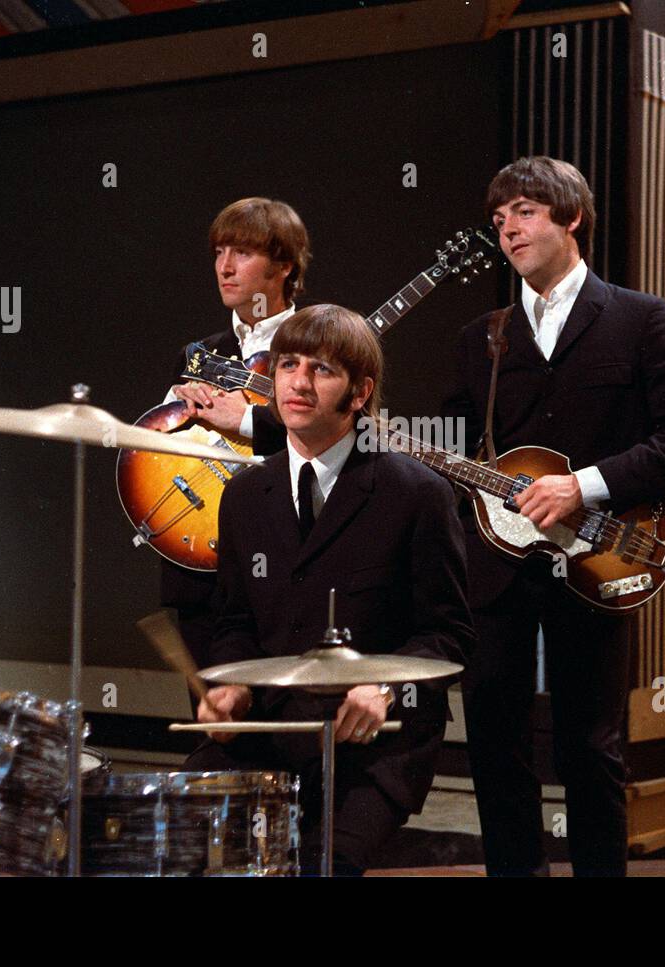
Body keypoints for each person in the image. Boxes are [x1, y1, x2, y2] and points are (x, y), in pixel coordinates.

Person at [441, 157, 665, 876]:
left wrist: (582, 486)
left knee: (591, 746)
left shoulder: (640, 318)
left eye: (524, 211)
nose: (508, 230)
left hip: (601, 557)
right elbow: (452, 453)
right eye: (499, 221)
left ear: (572, 218)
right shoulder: (482, 338)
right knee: (495, 742)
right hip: (496, 567)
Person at [188, 304, 475, 876]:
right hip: (269, 728)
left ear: (360, 392)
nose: (297, 382)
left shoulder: (415, 493)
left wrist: (386, 687)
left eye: (321, 369)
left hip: (374, 744)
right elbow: (235, 623)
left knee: (326, 864)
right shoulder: (244, 494)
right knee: (192, 848)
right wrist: (229, 689)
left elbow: (448, 634)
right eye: (287, 364)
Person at [159, 197, 309, 665]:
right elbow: (165, 456)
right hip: (205, 566)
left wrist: (244, 420)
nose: (225, 267)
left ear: (284, 265)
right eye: (219, 252)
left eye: (241, 253)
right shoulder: (199, 353)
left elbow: (342, 435)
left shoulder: (317, 343)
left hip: (287, 562)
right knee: (213, 727)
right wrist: (171, 412)